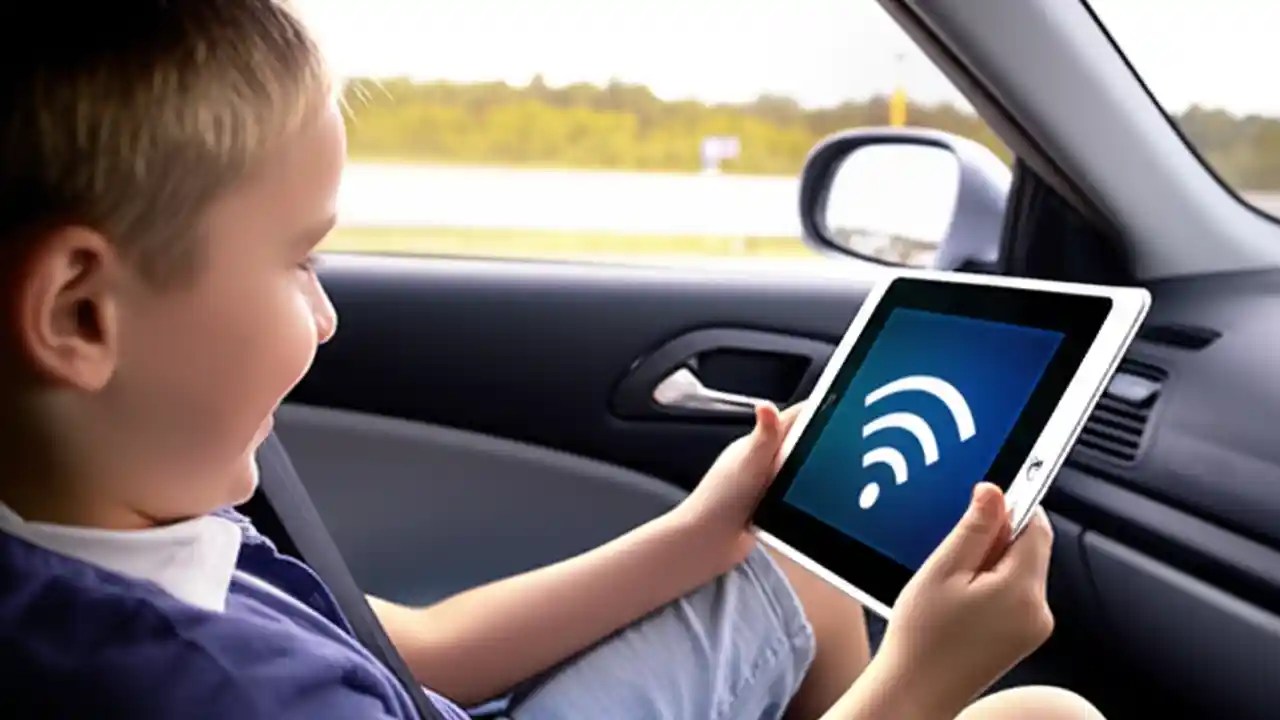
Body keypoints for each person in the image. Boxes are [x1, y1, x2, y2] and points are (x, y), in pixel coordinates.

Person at [0, 2, 1103, 718]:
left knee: (794, 568)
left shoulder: (132, 529)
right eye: (300, 260)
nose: (327, 317)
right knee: (1040, 716)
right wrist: (916, 684)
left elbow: (406, 649)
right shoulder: (221, 691)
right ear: (82, 317)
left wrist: (698, 533)